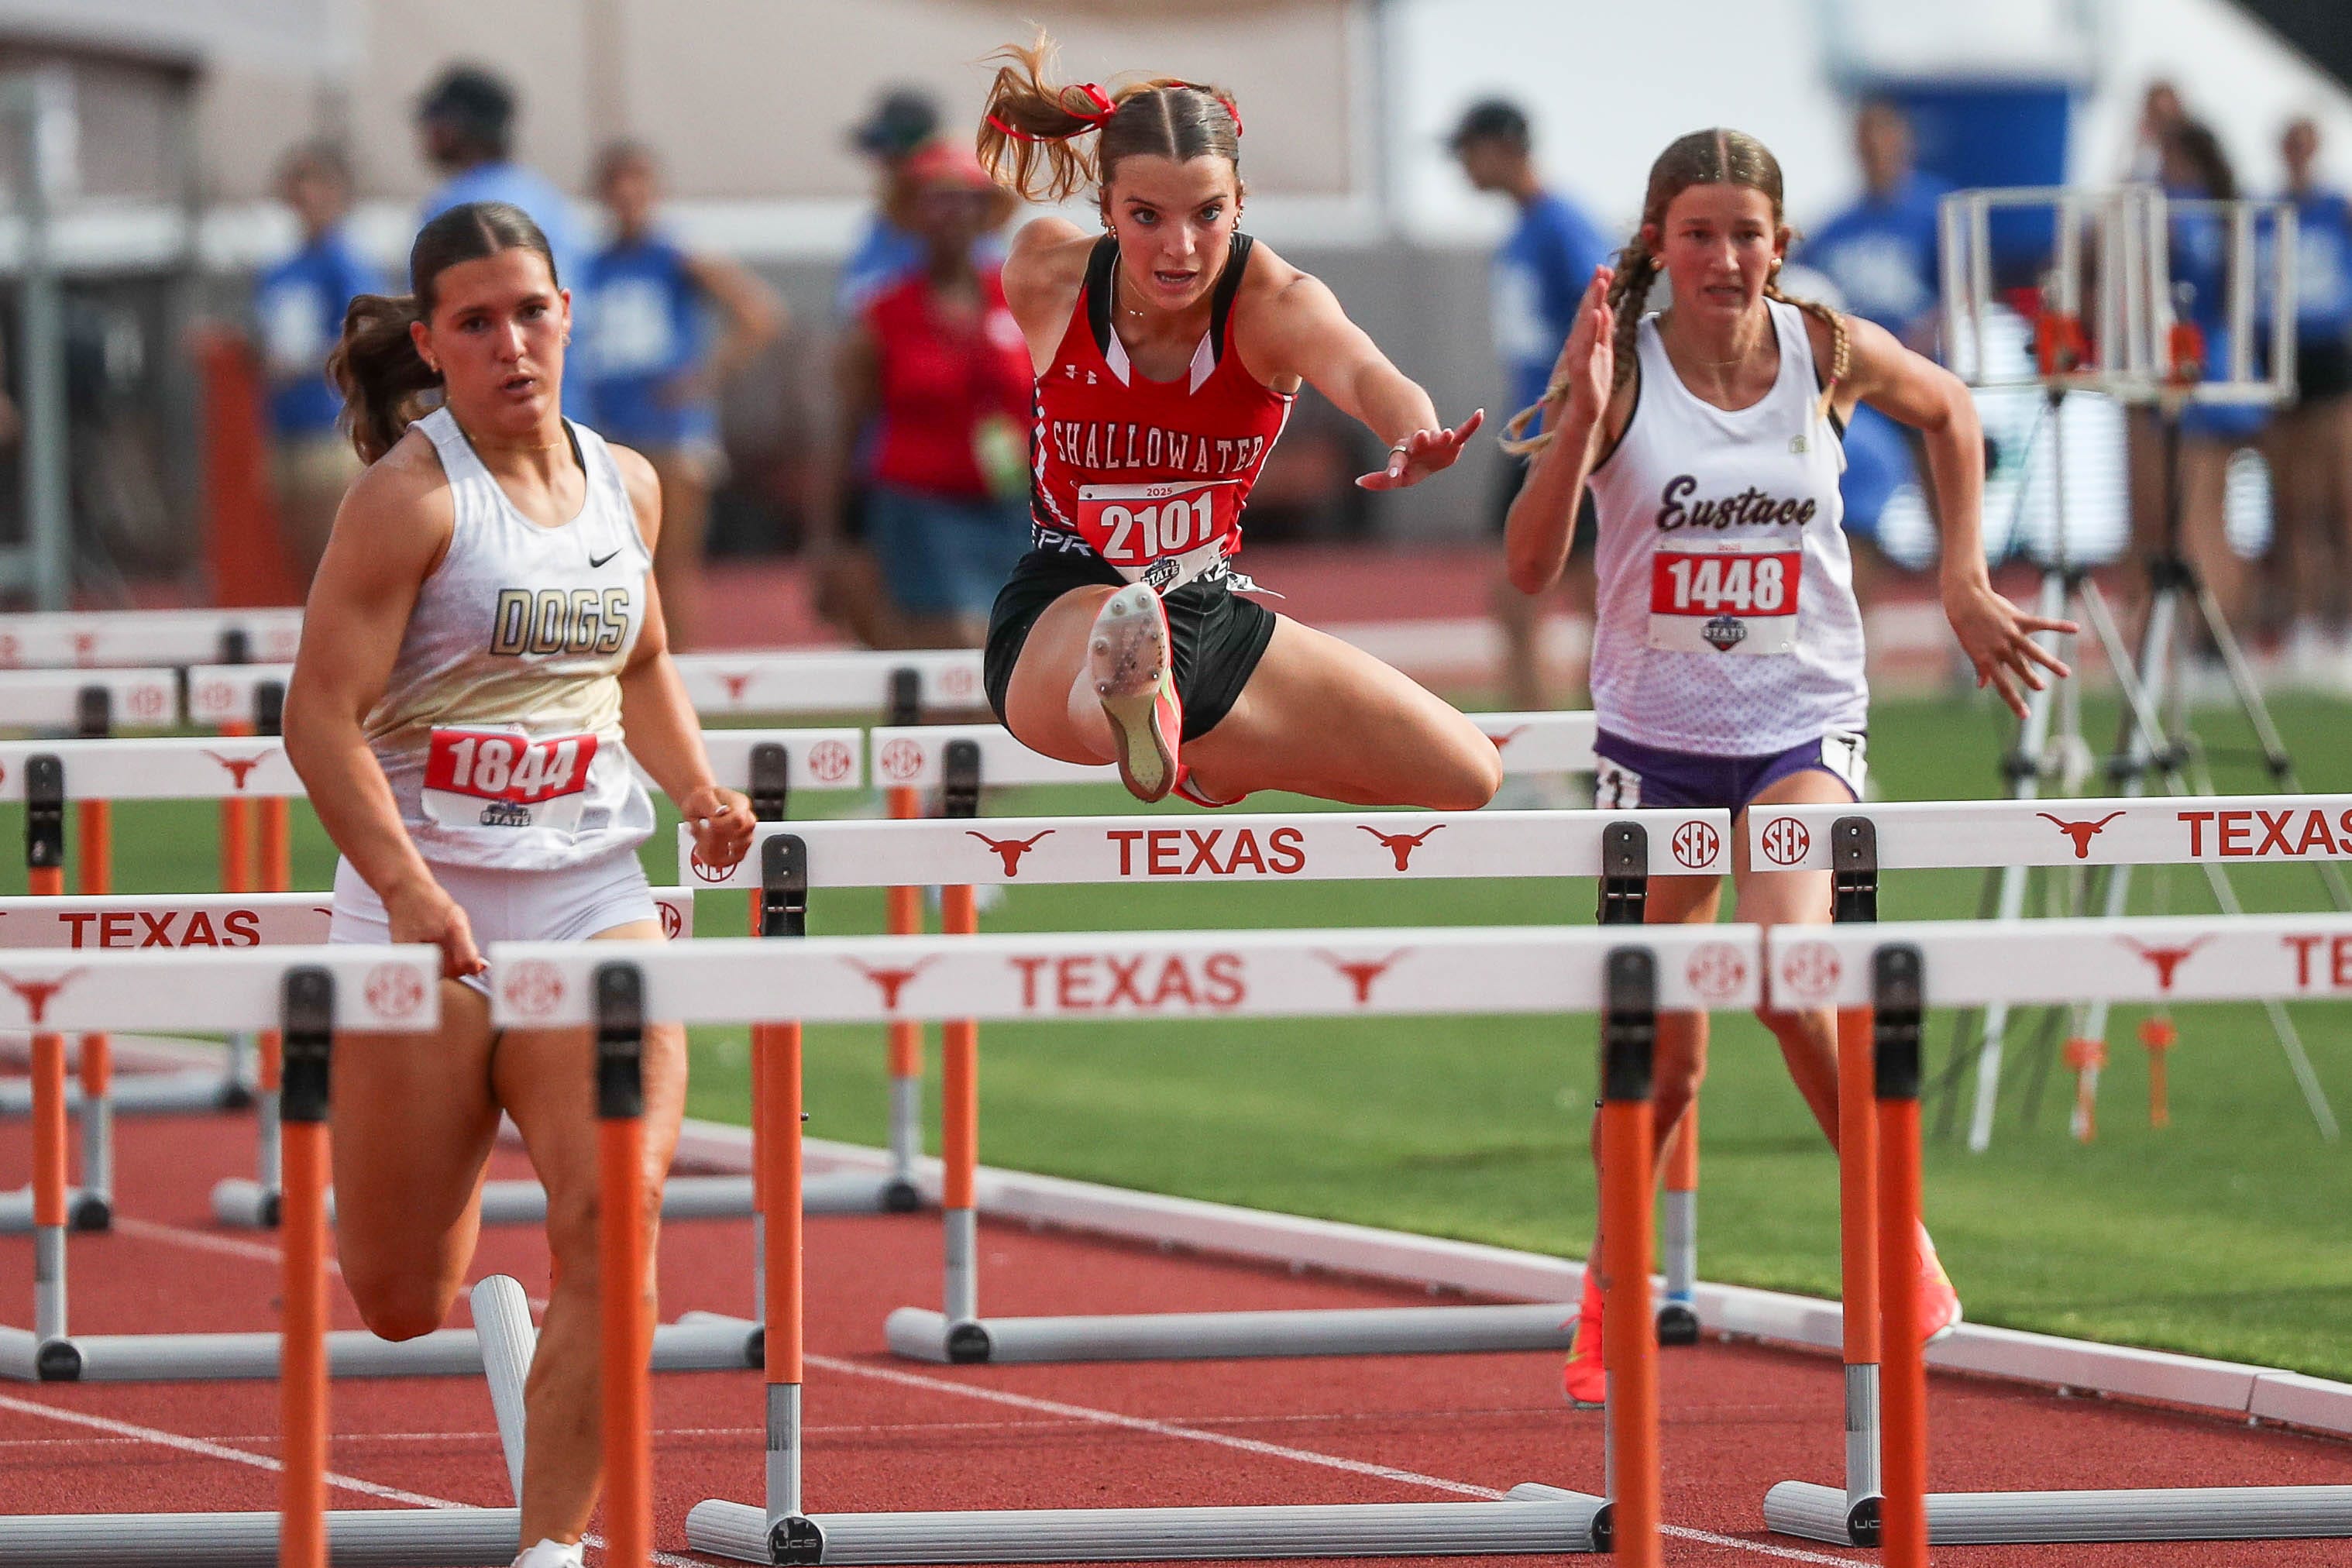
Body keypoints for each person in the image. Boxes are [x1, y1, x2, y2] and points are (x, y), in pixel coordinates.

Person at [1501, 128, 2071, 1406]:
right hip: (1654, 745)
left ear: (1782, 243)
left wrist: (1964, 578)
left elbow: (1953, 410)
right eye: (1698, 234)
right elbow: (1530, 567)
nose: (1724, 258)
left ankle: (1895, 1233)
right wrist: (1580, 413)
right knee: (1660, 1062)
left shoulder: (1824, 348)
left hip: (1800, 728)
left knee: (1785, 964)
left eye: (1746, 234)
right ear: (1657, 243)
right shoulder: (1620, 371)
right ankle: (1611, 1275)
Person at [285, 201, 754, 1568]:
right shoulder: (409, 500)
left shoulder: (629, 484)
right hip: (424, 910)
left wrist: (698, 788)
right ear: (432, 344)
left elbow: (643, 661)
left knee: (618, 1214)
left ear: (568, 313)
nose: (512, 343)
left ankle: (552, 1545)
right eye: (477, 323)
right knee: (396, 1294)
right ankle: (456, 1183)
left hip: (590, 893)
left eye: (532, 311)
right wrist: (402, 881)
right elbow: (319, 716)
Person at [976, 35, 1501, 811]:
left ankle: (1202, 752)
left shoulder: (1276, 304)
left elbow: (1365, 371)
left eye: (1207, 214)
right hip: (1064, 603)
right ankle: (1135, 708)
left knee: (1468, 775)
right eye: (1147, 216)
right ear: (1107, 207)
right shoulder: (1049, 275)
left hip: (1205, 607)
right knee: (1112, 656)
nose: (1180, 248)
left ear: (1240, 203)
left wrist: (1411, 430)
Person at [580, 140, 786, 651]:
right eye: (616, 184)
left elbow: (758, 313)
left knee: (671, 561)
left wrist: (706, 377)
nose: (627, 196)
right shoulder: (592, 263)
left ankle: (680, 668)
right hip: (612, 431)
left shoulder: (677, 255)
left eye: (637, 183)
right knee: (614, 566)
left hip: (670, 433)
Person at [830, 139, 1033, 648]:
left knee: (1022, 646)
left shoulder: (1024, 300)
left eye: (967, 199)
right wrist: (831, 540)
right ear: (914, 214)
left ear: (985, 212)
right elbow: (844, 433)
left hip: (1015, 505)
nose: (953, 213)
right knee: (958, 645)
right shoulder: (882, 314)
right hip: (918, 511)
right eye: (937, 199)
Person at [1449, 98, 1611, 714]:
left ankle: (1608, 745)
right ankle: (1537, 749)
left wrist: (1580, 418)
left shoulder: (1563, 225)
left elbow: (1605, 314)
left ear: (1504, 148)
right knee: (1516, 602)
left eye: (1469, 150)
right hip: (1532, 432)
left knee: (1596, 603)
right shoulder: (1524, 230)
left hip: (1566, 435)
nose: (1464, 166)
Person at [1796, 101, 1954, 593]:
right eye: (1864, 140)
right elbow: (1801, 293)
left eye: (1882, 138)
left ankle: (1960, 590)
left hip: (1916, 374)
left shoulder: (1935, 211)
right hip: (1852, 384)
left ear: (1903, 142)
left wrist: (1924, 338)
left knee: (1944, 499)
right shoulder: (1834, 229)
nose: (1874, 150)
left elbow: (1960, 291)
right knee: (1848, 494)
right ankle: (1852, 603)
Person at [2127, 119, 2268, 641]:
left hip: (2192, 364)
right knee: (2213, 512)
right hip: (2228, 361)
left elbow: (2145, 291)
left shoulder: (2175, 213)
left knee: (2193, 517)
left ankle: (2210, 633)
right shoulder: (2227, 211)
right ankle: (2221, 629)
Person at [415, 64, 586, 405]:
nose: (426, 130)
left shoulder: (455, 207)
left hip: (493, 408)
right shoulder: (543, 196)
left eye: (436, 117)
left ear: (463, 124)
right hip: (559, 405)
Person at [255, 140, 382, 583]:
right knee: (301, 552)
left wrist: (307, 362)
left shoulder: (346, 264)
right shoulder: (280, 271)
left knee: (335, 547)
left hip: (329, 425)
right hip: (284, 423)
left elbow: (364, 335)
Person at [2261, 116, 2352, 682]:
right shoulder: (2265, 214)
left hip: (2331, 362)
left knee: (2341, 499)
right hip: (2281, 359)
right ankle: (2301, 622)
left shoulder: (2337, 211)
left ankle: (2341, 621)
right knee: (2292, 504)